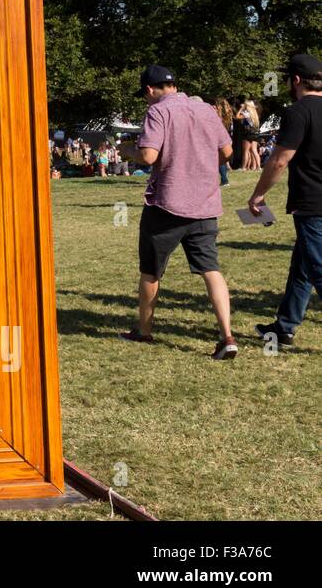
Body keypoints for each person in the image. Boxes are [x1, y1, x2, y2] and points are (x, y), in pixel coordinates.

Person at [120, 65, 237, 359]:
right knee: (211, 269)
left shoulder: (157, 112)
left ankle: (144, 331)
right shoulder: (206, 110)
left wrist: (128, 151)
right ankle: (227, 335)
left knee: (151, 270)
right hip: (205, 205)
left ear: (150, 89)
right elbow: (226, 152)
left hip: (167, 205)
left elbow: (148, 156)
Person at [249, 53, 322, 346]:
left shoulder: (297, 112)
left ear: (295, 81)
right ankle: (285, 326)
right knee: (303, 267)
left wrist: (258, 194)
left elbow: (279, 160)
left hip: (312, 203)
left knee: (317, 267)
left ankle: (285, 325)